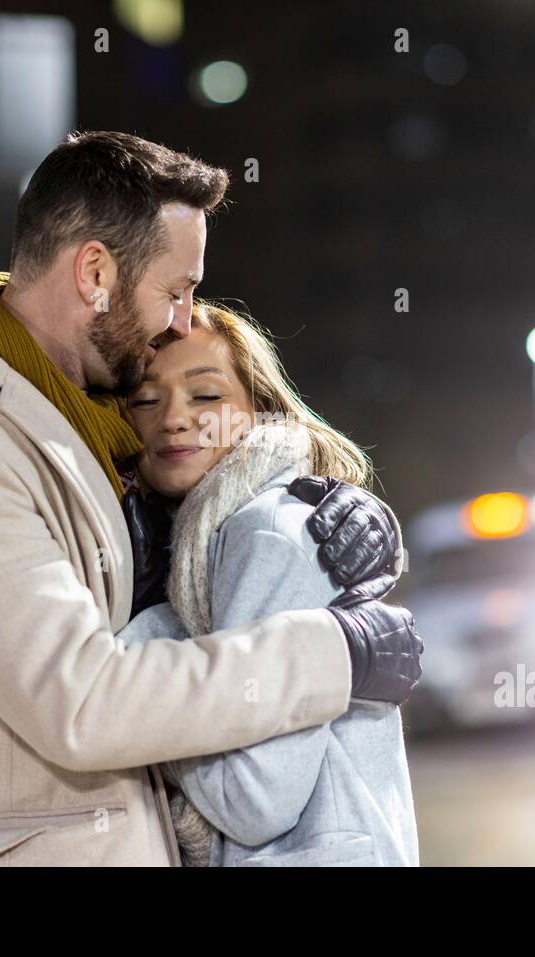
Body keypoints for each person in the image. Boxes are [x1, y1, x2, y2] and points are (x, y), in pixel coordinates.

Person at [0, 131, 423, 866]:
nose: (185, 320)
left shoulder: (84, 407)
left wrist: (330, 508)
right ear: (95, 272)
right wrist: (334, 647)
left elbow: (202, 490)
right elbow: (84, 699)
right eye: (177, 288)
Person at [118, 302, 419, 866]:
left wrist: (143, 642)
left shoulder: (266, 531)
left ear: (259, 411)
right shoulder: (205, 544)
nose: (174, 418)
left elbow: (252, 799)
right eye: (145, 400)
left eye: (206, 396)